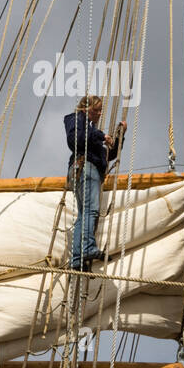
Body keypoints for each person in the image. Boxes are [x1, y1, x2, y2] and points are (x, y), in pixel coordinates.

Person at [64, 95, 126, 271]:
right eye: (96, 110)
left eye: (101, 110)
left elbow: (108, 155)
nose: (99, 113)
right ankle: (87, 247)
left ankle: (77, 258)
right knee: (90, 210)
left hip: (87, 169)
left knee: (84, 214)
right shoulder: (76, 119)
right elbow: (75, 141)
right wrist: (101, 135)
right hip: (85, 167)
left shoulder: (91, 133)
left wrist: (120, 135)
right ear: (86, 108)